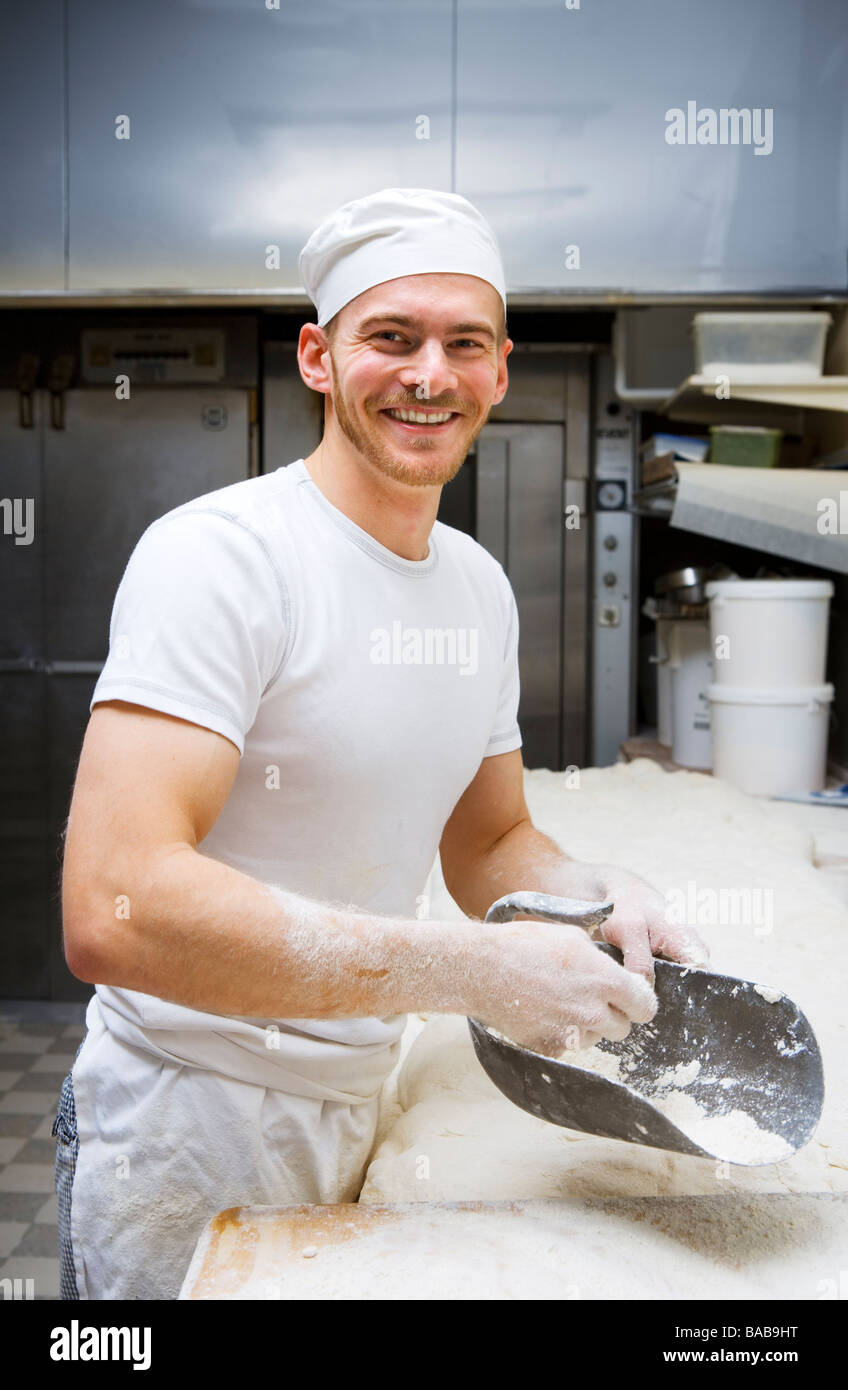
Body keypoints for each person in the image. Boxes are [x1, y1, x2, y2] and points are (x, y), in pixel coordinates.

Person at [54, 188, 708, 1300]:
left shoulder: (478, 588)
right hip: (186, 1119)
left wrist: (594, 894)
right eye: (391, 338)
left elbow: (487, 841)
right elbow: (112, 907)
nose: (428, 375)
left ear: (499, 371)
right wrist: (471, 971)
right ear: (319, 357)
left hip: (367, 1101)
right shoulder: (222, 558)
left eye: (464, 344)